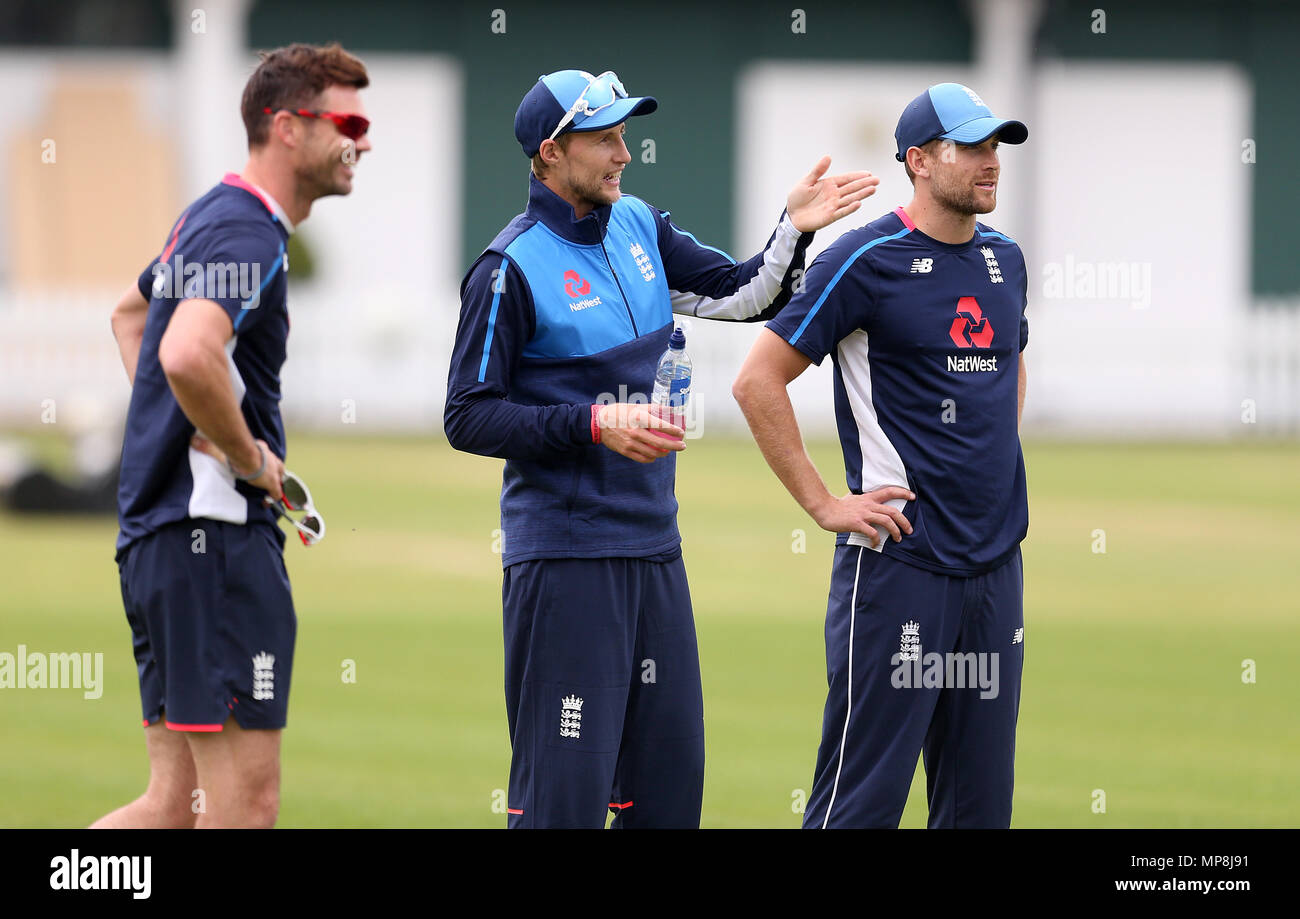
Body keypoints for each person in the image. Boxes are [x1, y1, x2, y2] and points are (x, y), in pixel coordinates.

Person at [444, 69, 876, 828]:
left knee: (668, 798)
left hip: (655, 553)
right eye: (605, 138)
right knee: (561, 807)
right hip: (566, 562)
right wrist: (591, 423)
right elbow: (468, 415)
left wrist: (794, 227)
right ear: (550, 152)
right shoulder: (507, 268)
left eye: (623, 134)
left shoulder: (639, 223)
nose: (624, 152)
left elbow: (748, 294)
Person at [732, 83, 1030, 828]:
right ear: (920, 161)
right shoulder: (863, 258)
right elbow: (757, 381)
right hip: (900, 570)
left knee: (980, 808)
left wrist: (984, 468)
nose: (991, 161)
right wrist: (824, 503)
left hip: (996, 571)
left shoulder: (1005, 260)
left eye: (997, 145)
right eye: (972, 147)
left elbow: (1009, 364)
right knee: (858, 805)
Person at [93, 43, 372, 829]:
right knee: (245, 807)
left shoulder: (210, 215)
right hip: (210, 542)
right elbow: (184, 350)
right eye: (347, 119)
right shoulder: (248, 231)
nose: (364, 139)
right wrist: (247, 456)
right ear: (286, 127)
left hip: (162, 540)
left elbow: (132, 315)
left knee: (174, 805)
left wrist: (181, 426)